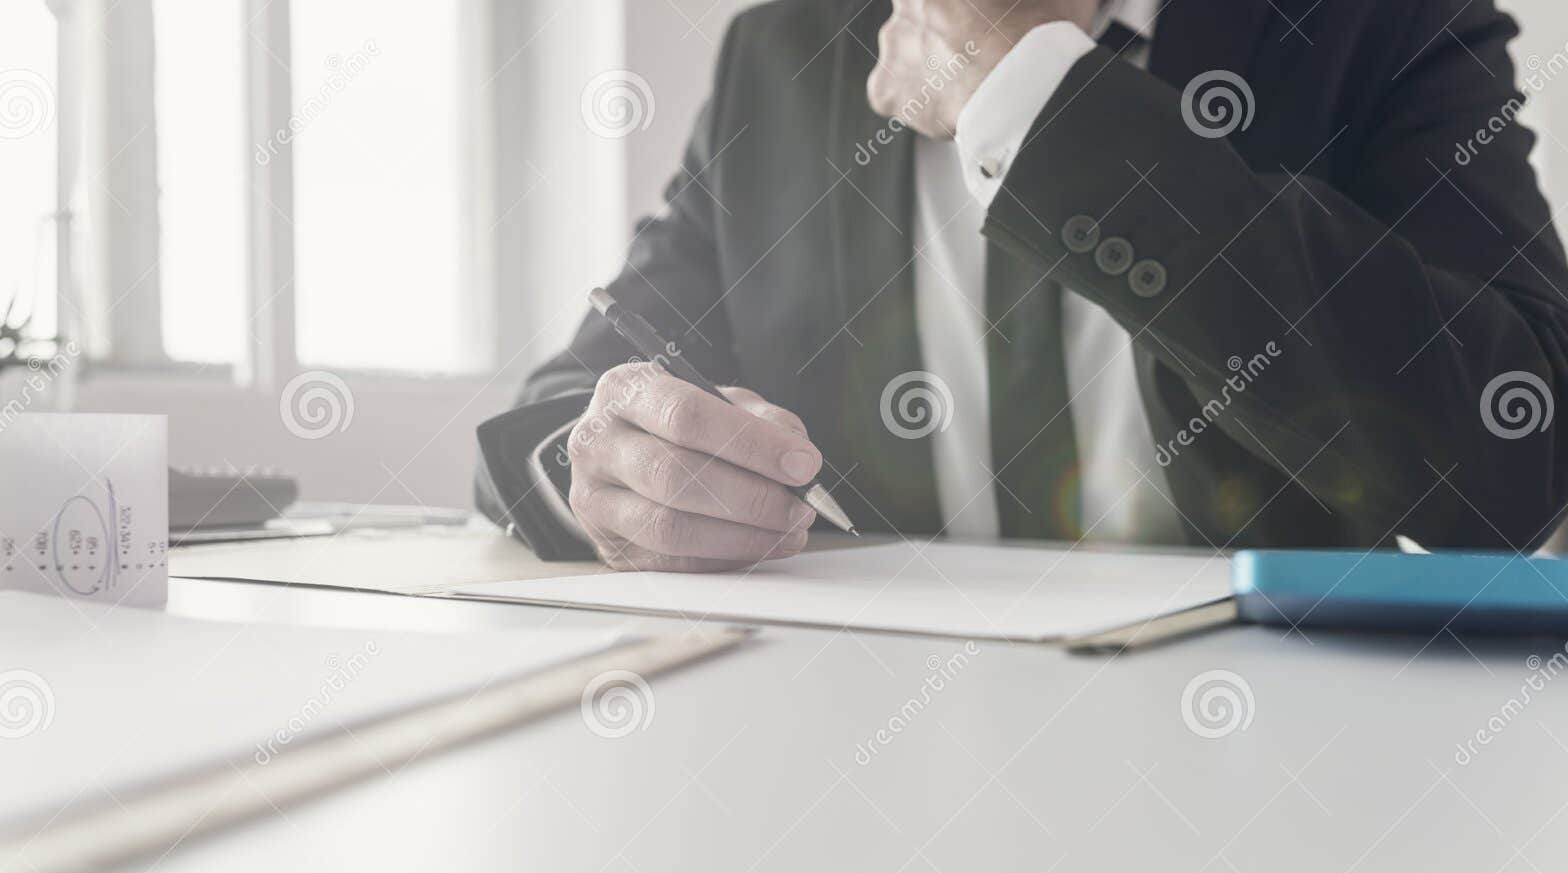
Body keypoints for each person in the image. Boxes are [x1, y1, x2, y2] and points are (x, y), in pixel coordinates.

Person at [485, 0, 1568, 572]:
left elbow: (1520, 458)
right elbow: (575, 400)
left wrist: (1041, 103)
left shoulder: (1380, 23)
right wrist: (611, 473)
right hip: (866, 779)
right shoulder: (782, 52)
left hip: (1283, 780)